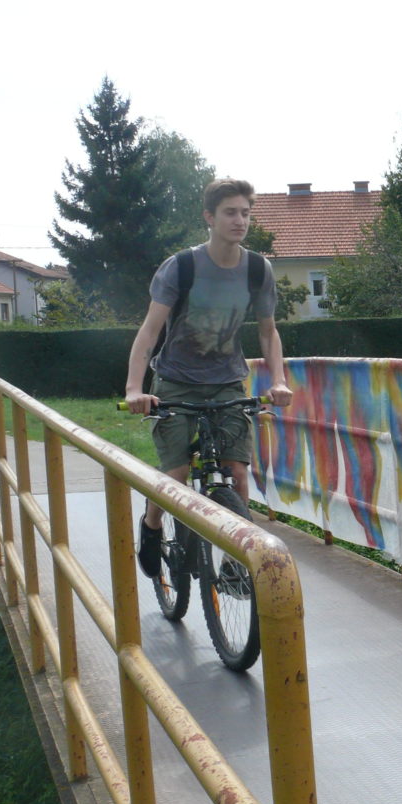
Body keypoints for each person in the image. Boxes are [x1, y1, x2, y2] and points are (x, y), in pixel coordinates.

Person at [124, 177, 293, 578]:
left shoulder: (257, 268)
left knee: (236, 472)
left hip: (226, 382)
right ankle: (151, 527)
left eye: (245, 213)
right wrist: (134, 389)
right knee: (177, 472)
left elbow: (268, 331)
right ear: (210, 217)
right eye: (230, 213)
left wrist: (279, 380)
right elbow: (149, 331)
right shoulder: (181, 266)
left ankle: (238, 566)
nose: (240, 221)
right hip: (176, 380)